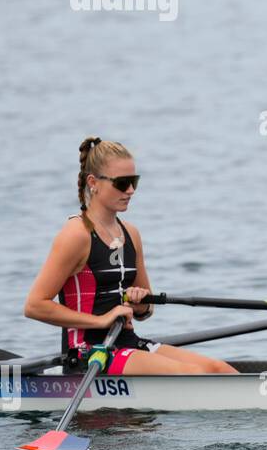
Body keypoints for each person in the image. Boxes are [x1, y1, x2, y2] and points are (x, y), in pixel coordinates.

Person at [25, 137, 237, 374]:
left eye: (134, 181)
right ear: (93, 182)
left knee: (220, 370)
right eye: (122, 183)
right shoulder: (76, 235)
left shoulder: (131, 233)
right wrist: (102, 320)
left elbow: (146, 311)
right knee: (194, 375)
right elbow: (35, 305)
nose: (131, 190)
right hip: (89, 352)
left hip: (127, 343)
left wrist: (140, 303)